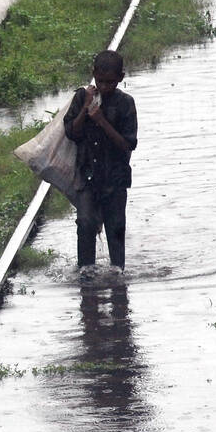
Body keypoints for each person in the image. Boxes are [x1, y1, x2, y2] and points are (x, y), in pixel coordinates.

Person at [63, 49, 138, 274]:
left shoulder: (126, 104)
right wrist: (85, 109)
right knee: (85, 223)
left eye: (111, 82)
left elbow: (127, 145)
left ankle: (117, 274)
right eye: (100, 81)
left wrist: (101, 120)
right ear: (93, 74)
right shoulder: (81, 98)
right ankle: (86, 274)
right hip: (88, 174)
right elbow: (71, 132)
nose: (104, 87)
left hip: (116, 177)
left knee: (115, 228)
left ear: (121, 78)